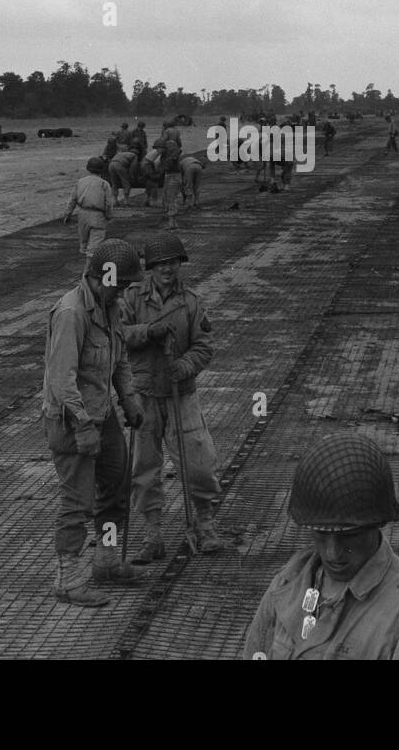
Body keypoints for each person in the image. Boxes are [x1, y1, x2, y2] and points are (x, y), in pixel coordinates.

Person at [242, 433, 399, 660]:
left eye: (349, 537)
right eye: (322, 534)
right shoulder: (289, 582)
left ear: (377, 525)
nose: (333, 553)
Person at [43, 239, 147, 605]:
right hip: (72, 421)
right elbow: (61, 379)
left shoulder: (111, 308)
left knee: (116, 487)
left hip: (103, 415)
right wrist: (83, 426)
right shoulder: (71, 313)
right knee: (78, 502)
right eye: (118, 285)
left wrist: (130, 398)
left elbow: (118, 361)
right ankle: (68, 581)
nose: (122, 293)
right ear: (101, 277)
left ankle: (106, 560)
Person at [119, 233, 222, 561]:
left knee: (198, 465)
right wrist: (147, 332)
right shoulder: (132, 298)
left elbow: (204, 345)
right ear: (150, 268)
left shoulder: (192, 302)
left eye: (172, 262)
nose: (167, 269)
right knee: (145, 469)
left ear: (180, 264)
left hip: (182, 395)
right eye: (160, 264)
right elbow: (117, 335)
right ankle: (153, 535)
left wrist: (184, 365)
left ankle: (204, 525)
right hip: (144, 395)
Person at [61, 157, 115, 256]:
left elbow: (73, 199)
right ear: (102, 169)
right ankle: (87, 269)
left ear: (88, 168)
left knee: (83, 243)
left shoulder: (81, 181)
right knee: (95, 245)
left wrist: (67, 214)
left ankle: (83, 265)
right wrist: (109, 216)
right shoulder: (104, 184)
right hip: (98, 215)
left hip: (82, 214)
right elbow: (108, 203)